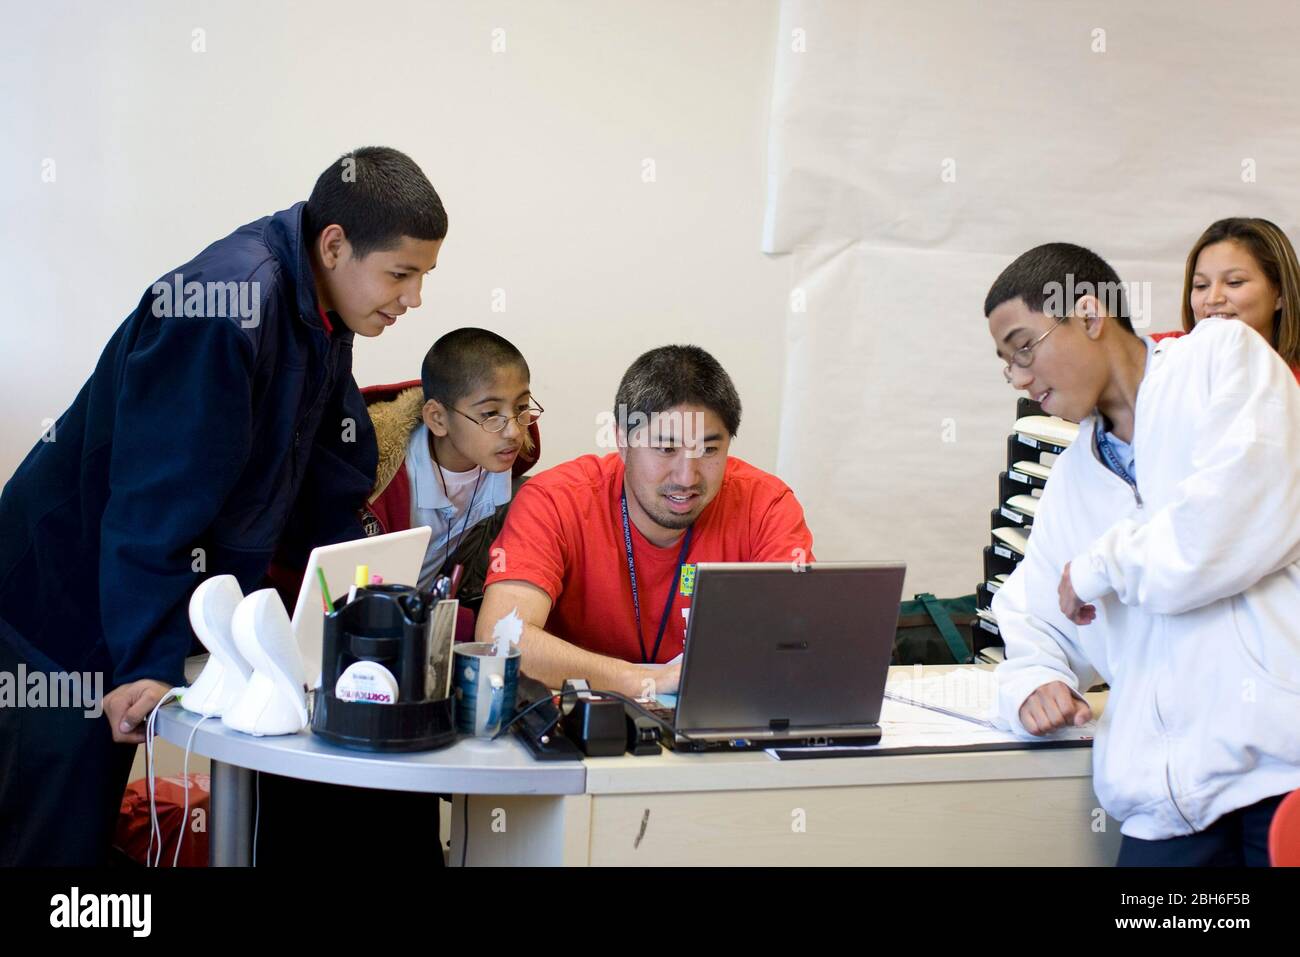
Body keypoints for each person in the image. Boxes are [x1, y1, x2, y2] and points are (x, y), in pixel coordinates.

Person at [0, 146, 447, 865]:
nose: (413, 298)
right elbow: (154, 498)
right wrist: (146, 658)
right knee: (51, 837)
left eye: (423, 276)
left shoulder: (323, 308)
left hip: (127, 598)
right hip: (56, 613)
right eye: (401, 273)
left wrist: (347, 605)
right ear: (334, 244)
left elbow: (326, 474)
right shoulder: (224, 306)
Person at [985, 242, 1300, 866]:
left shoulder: (1221, 358)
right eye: (1006, 363)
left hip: (1277, 776)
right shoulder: (1072, 478)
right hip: (1161, 808)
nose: (1021, 377)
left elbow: (1232, 522)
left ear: (1089, 314)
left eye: (1025, 347)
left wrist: (1100, 567)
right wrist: (1033, 682)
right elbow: (1033, 617)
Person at [476, 345, 815, 697]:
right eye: (666, 449)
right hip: (581, 726)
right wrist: (638, 680)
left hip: (714, 722)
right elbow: (501, 637)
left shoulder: (766, 503)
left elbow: (801, 639)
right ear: (623, 441)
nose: (687, 477)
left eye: (709, 450)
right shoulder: (555, 500)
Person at [361, 327, 541, 608]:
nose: (514, 432)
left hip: (439, 617)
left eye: (521, 407)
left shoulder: (506, 468)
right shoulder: (376, 481)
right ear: (438, 419)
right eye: (490, 414)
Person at [1155, 217, 1300, 381]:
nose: (1212, 299)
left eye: (1234, 282)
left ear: (1280, 294)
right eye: (1201, 285)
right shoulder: (1161, 352)